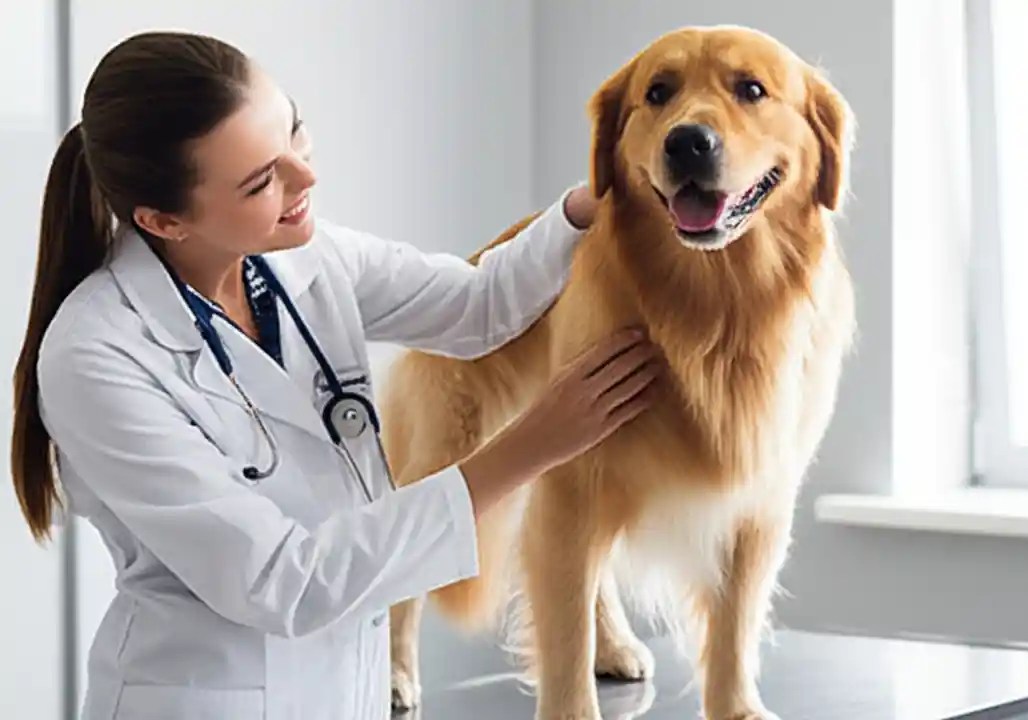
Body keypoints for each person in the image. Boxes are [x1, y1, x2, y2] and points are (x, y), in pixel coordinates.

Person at [10, 30, 661, 719]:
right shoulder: (96, 355)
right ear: (163, 220)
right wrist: (531, 446)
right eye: (263, 180)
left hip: (345, 690)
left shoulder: (296, 258)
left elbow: (477, 306)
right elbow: (279, 581)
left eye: (294, 131)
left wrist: (592, 201)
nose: (306, 178)